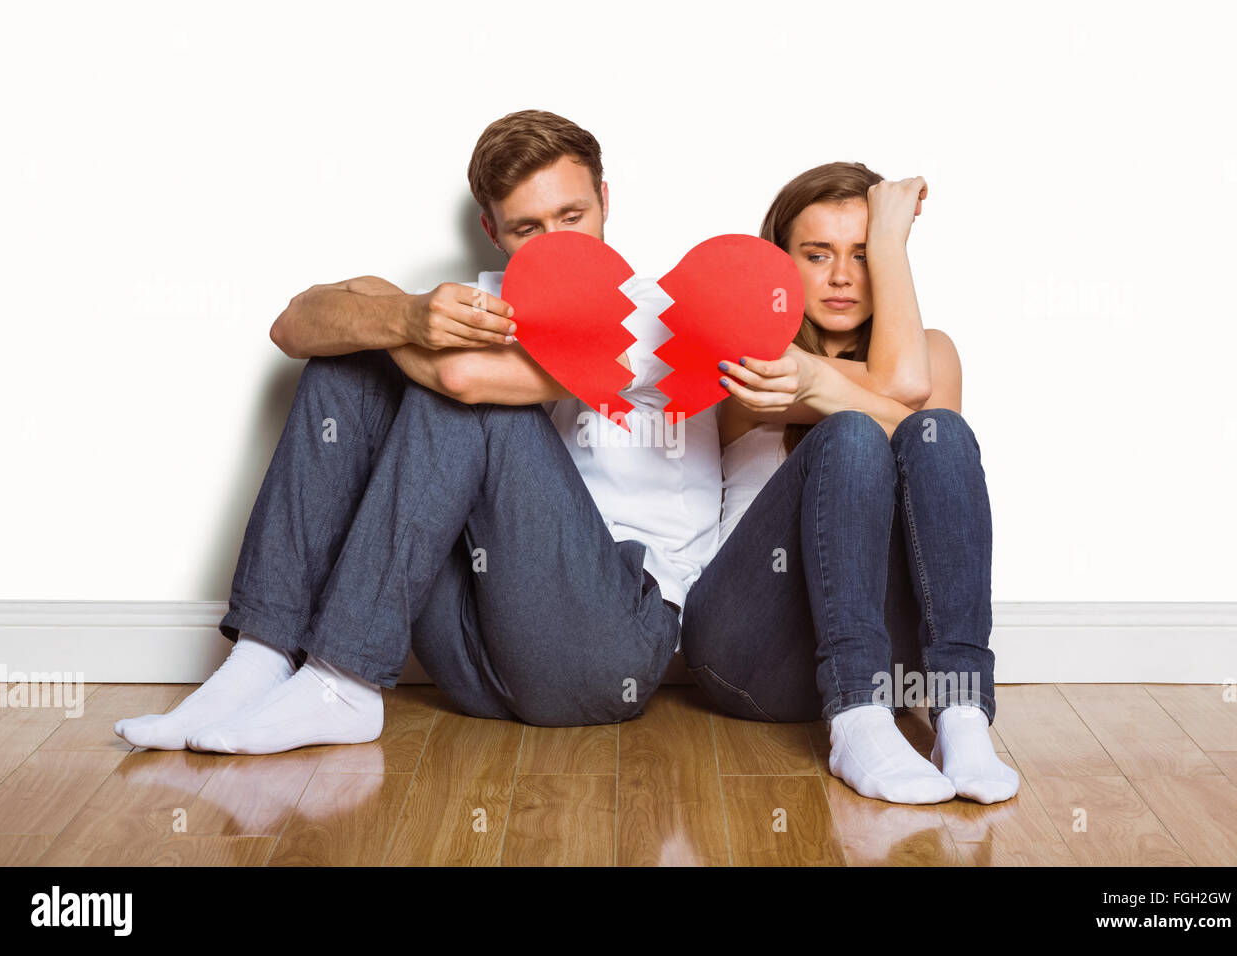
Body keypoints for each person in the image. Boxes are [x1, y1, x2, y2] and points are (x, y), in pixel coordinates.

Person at [114, 110, 721, 753]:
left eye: (572, 216)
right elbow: (293, 326)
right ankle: (259, 661)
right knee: (349, 359)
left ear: (605, 201)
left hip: (607, 649)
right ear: (492, 231)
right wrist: (401, 314)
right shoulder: (489, 304)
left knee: (454, 387)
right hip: (480, 653)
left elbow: (462, 380)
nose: (556, 246)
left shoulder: (660, 317)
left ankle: (342, 683)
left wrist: (393, 321)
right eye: (528, 228)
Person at [681, 162, 1019, 804]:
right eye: (817, 255)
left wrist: (891, 245)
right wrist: (819, 384)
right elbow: (900, 391)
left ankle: (961, 713)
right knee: (854, 433)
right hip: (750, 647)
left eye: (863, 255)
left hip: (894, 665)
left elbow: (915, 399)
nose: (842, 276)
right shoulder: (749, 353)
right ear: (781, 263)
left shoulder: (934, 354)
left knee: (939, 432)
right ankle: (856, 718)